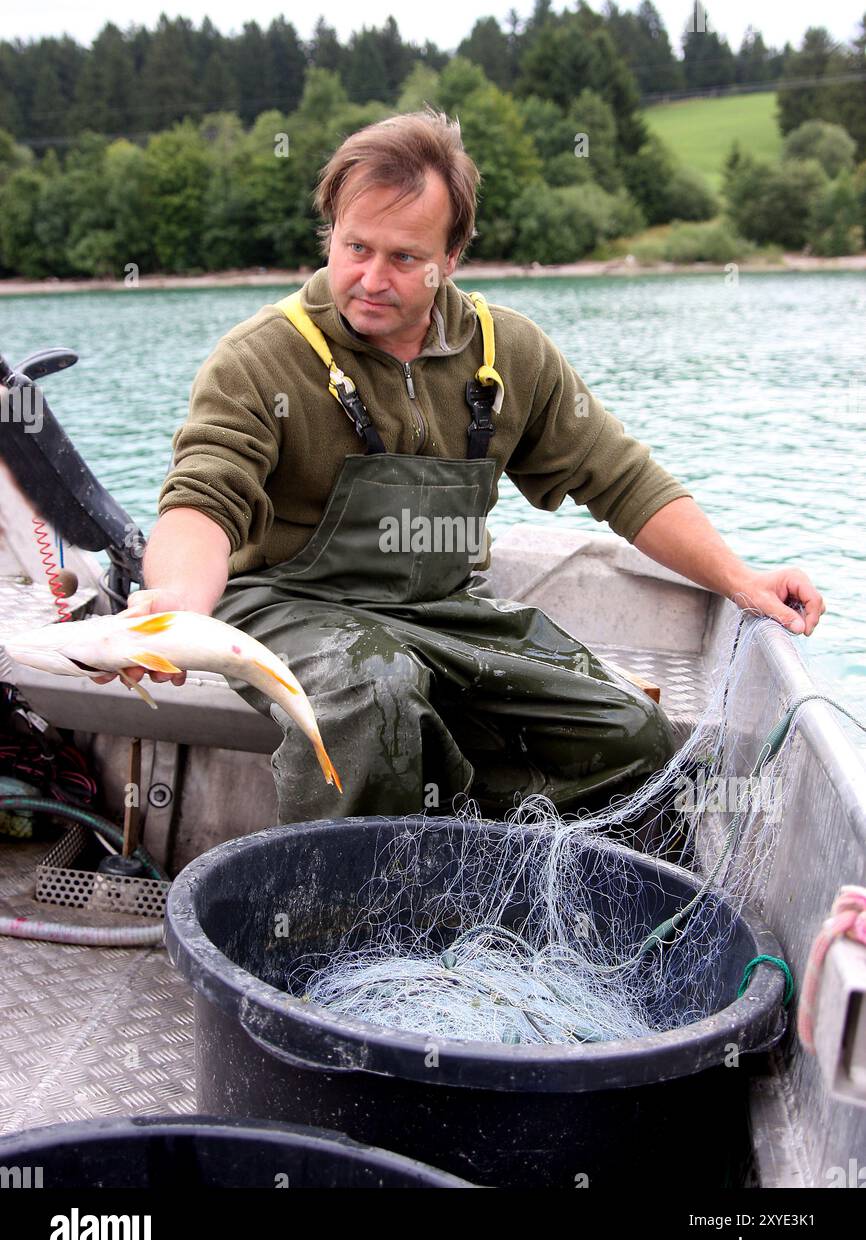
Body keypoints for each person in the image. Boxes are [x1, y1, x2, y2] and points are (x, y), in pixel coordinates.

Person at [92, 109, 825, 823]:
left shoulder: (510, 354)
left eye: (404, 258)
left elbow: (622, 478)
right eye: (355, 248)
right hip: (282, 604)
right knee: (373, 690)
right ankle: (349, 920)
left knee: (627, 733)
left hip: (446, 609)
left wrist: (739, 578)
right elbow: (201, 505)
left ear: (451, 258)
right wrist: (177, 613)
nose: (371, 279)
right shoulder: (259, 358)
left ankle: (484, 868)